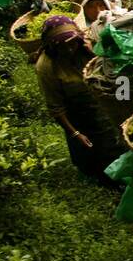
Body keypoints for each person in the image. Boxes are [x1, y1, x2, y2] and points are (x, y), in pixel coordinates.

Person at [35, 16, 123, 181]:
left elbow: (114, 72)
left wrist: (93, 53)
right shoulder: (46, 66)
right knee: (90, 151)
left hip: (100, 100)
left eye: (72, 44)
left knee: (111, 139)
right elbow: (55, 107)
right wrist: (75, 133)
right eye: (63, 46)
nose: (69, 49)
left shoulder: (86, 47)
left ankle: (116, 171)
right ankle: (100, 175)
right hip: (77, 111)